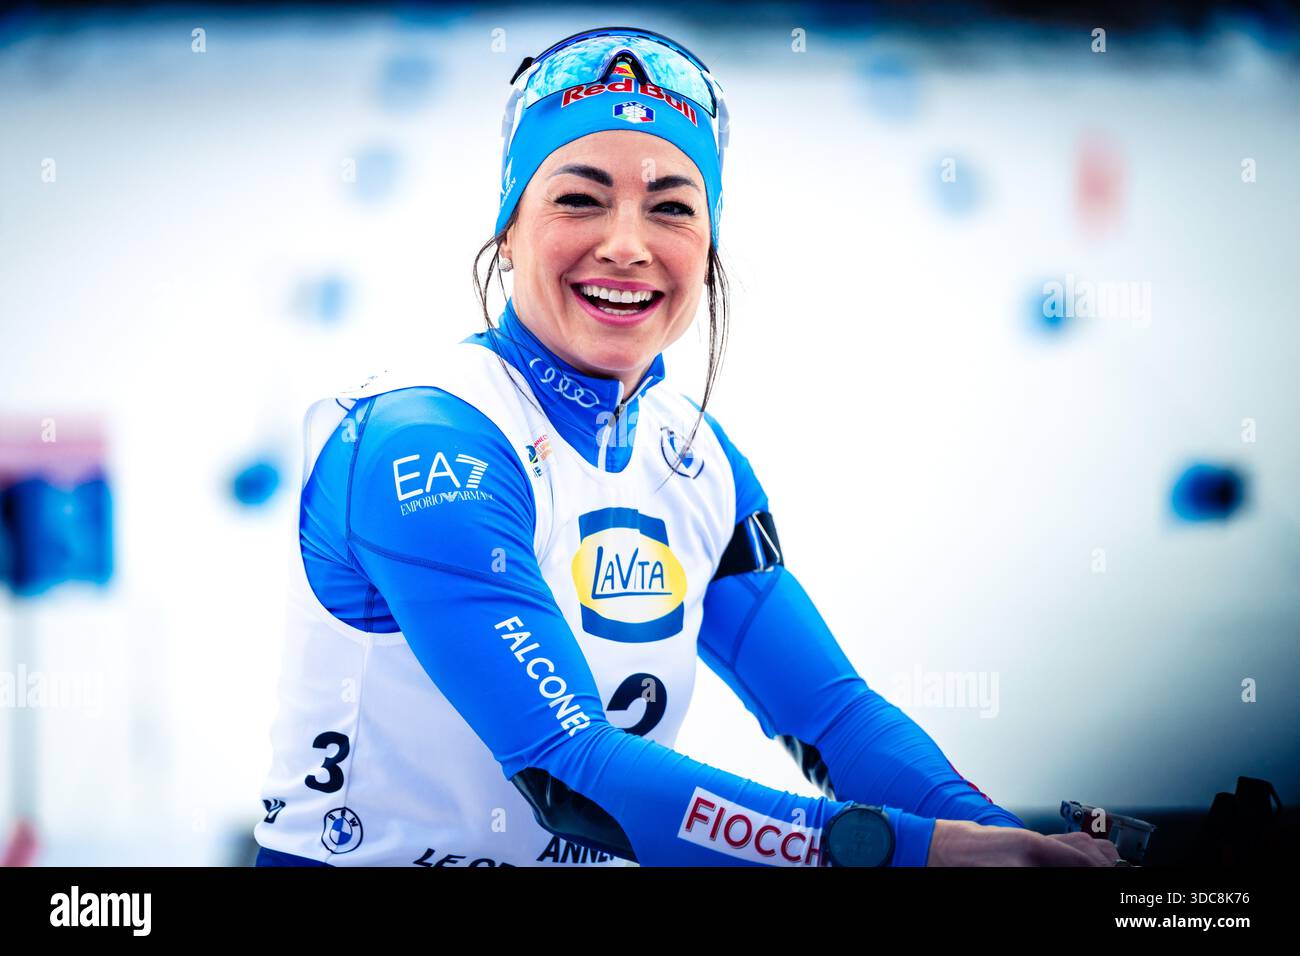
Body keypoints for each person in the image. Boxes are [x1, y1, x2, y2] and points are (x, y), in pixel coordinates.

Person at [253, 26, 1119, 867]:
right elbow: (568, 771)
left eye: (671, 207)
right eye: (579, 199)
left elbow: (836, 720)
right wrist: (907, 853)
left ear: (706, 249)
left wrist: (1022, 845)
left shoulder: (692, 460)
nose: (627, 245)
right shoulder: (429, 445)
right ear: (509, 230)